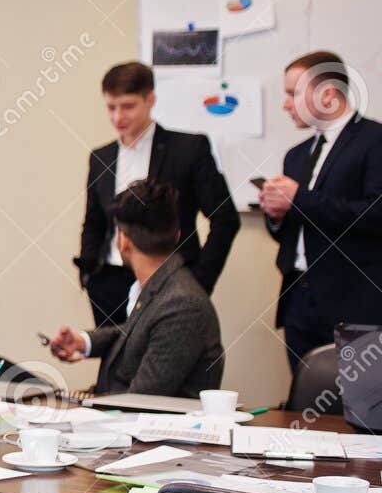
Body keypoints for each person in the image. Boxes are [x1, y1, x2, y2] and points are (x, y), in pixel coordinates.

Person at [77, 61, 238, 327]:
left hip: (168, 280)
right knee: (114, 365)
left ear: (150, 99)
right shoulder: (100, 157)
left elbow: (225, 219)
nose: (118, 117)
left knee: (165, 363)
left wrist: (199, 280)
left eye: (127, 106)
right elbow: (93, 221)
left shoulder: (189, 148)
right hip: (109, 283)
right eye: (111, 107)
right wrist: (89, 275)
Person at [260, 50, 382, 368]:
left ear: (327, 94)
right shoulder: (296, 155)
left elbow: (375, 214)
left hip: (354, 303)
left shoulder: (374, 141)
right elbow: (297, 229)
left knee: (358, 408)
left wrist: (298, 198)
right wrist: (275, 216)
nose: (286, 104)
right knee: (305, 400)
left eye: (292, 93)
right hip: (299, 298)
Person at [51, 179, 224, 397]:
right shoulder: (158, 286)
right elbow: (133, 333)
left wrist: (87, 403)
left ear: (123, 241)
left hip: (147, 426)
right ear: (177, 235)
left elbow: (141, 399)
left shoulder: (181, 304)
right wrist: (83, 342)